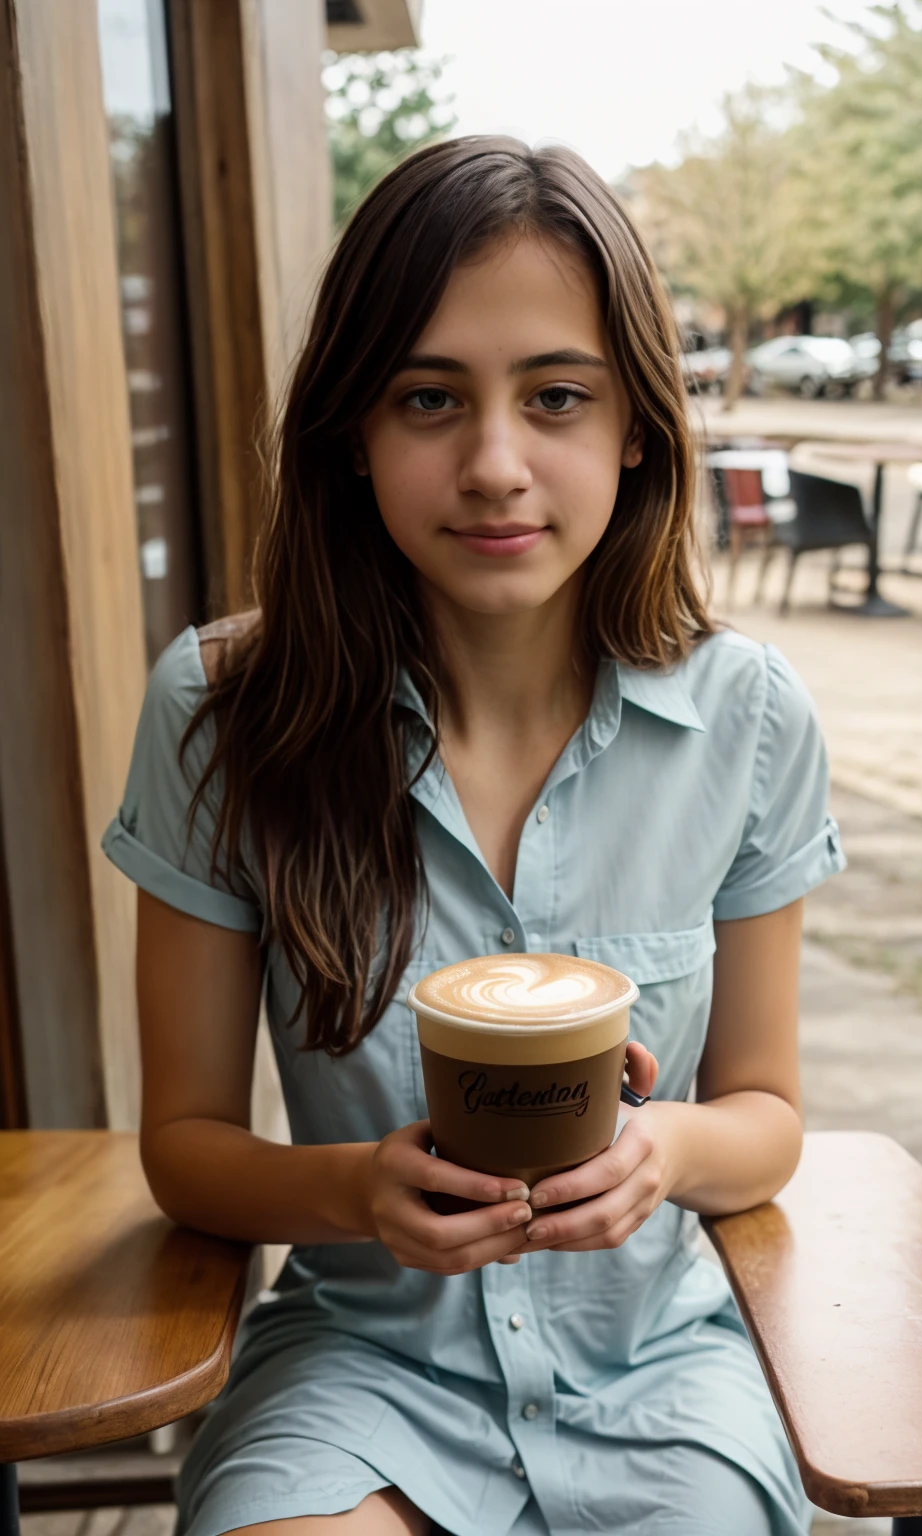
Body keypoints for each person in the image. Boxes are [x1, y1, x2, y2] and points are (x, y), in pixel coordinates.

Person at [102, 136, 845, 1536]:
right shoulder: (222, 709)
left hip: (661, 1385)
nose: (496, 464)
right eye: (429, 398)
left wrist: (666, 1154)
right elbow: (186, 1147)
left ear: (635, 425)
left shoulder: (749, 717)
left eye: (556, 396)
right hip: (360, 1374)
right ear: (355, 435)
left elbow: (768, 1116)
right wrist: (354, 1191)